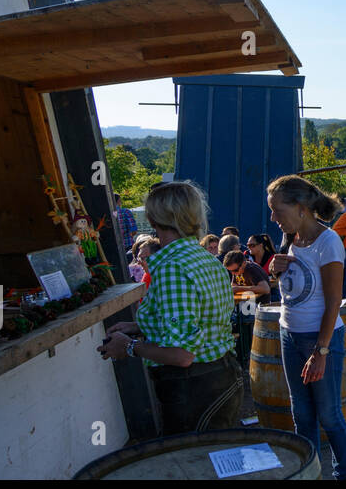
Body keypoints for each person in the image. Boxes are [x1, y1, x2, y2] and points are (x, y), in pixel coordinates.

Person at [97, 181, 242, 435]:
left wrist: (128, 347)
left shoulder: (172, 267)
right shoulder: (205, 259)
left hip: (194, 389)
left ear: (153, 219)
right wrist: (138, 326)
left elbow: (181, 355)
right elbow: (201, 321)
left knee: (191, 467)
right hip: (222, 376)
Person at [265, 174, 346, 479]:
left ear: (302, 207)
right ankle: (311, 473)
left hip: (319, 339)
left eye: (278, 210)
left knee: (329, 415)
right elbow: (290, 287)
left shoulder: (328, 242)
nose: (273, 217)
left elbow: (333, 302)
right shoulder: (291, 237)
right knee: (301, 415)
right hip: (288, 334)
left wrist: (321, 351)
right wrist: (274, 271)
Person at [223, 249, 270, 372]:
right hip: (246, 305)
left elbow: (265, 289)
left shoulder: (251, 269)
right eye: (231, 271)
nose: (234, 273)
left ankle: (248, 360)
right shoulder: (237, 270)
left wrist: (239, 288)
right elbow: (233, 286)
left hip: (259, 308)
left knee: (245, 327)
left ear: (243, 263)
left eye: (235, 270)